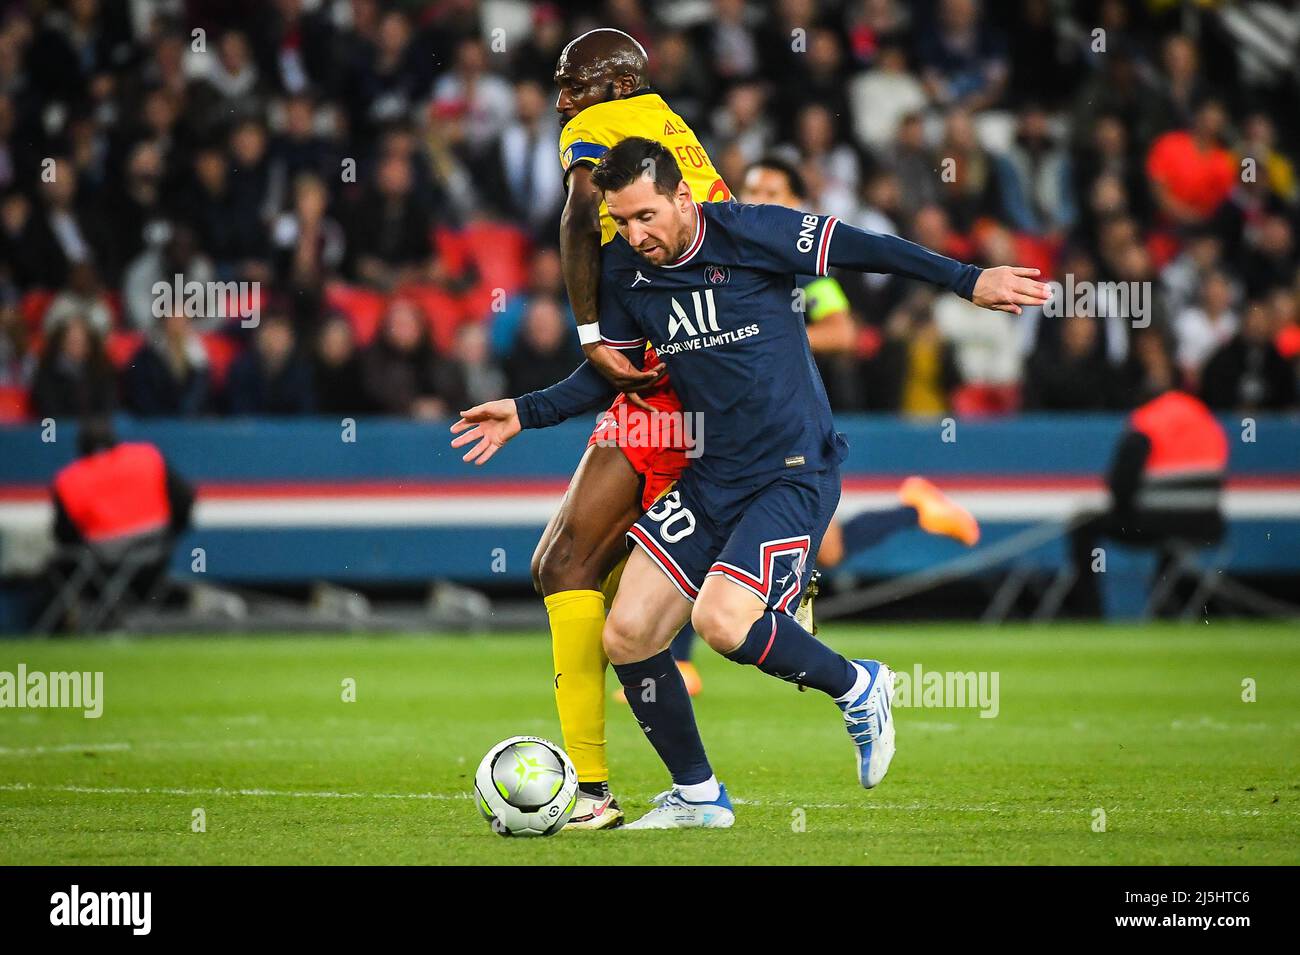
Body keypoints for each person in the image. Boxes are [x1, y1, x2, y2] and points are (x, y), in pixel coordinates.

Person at [452, 138, 1048, 828]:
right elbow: (609, 372)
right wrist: (523, 412)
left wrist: (967, 279)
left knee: (721, 619)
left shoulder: (752, 230)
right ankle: (700, 797)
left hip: (792, 468)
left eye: (646, 215)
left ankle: (858, 684)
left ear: (683, 197)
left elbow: (867, 247)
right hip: (714, 473)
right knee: (628, 633)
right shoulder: (624, 271)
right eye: (622, 221)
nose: (636, 235)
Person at [650, 156, 981, 693]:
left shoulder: (800, 266)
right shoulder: (729, 252)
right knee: (814, 547)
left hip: (800, 416)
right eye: (752, 186)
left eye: (773, 189)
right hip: (750, 425)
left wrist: (755, 336)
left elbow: (845, 331)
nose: (757, 195)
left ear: (798, 203)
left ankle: (690, 658)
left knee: (770, 542)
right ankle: (913, 511)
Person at [524, 28, 734, 830]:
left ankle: (591, 786)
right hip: (697, 366)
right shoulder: (675, 130)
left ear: (612, 84)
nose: (562, 100)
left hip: (661, 375)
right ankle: (609, 781)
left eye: (573, 83)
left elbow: (581, 214)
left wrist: (587, 334)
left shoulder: (599, 129)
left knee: (565, 562)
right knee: (570, 564)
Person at [1065, 389, 1229, 617]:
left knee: (1082, 525)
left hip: (1155, 521)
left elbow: (1121, 483)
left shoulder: (1149, 420)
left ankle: (1089, 611)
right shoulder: (1205, 419)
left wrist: (1120, 509)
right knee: (1172, 547)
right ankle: (1166, 610)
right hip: (1207, 525)